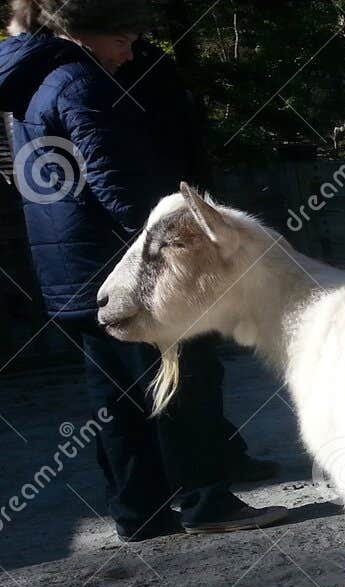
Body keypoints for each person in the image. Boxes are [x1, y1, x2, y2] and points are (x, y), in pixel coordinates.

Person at [0, 0, 286, 539]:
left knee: (117, 402)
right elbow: (121, 186)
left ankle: (140, 512)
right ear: (87, 33)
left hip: (72, 272)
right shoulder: (82, 85)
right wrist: (179, 244)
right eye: (122, 39)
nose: (130, 51)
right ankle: (209, 504)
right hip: (125, 273)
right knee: (186, 381)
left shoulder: (30, 88)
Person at [120, 36, 277, 485]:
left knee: (192, 363)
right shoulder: (98, 72)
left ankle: (207, 466)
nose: (125, 48)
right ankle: (199, 492)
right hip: (159, 238)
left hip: (171, 224)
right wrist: (158, 232)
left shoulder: (135, 58)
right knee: (183, 368)